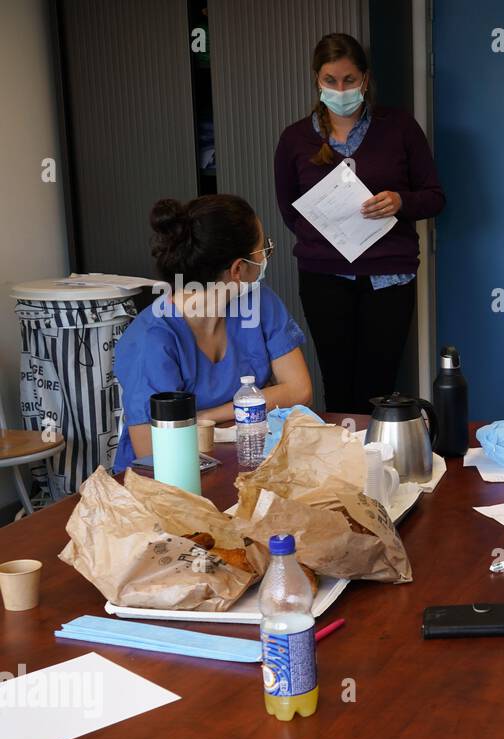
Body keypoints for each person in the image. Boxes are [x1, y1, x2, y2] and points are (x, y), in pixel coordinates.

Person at [274, 32, 445, 413]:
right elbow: (289, 210)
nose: (340, 89)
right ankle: (343, 468)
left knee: (378, 385)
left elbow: (435, 197)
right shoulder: (295, 139)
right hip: (324, 277)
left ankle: (375, 466)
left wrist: (401, 201)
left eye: (349, 80)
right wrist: (325, 239)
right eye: (330, 81)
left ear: (365, 80)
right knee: (336, 384)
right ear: (317, 80)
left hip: (389, 277)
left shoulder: (399, 127)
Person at [113, 195, 312, 471]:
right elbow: (154, 456)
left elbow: (299, 389)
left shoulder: (259, 302)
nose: (265, 257)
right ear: (237, 269)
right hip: (168, 480)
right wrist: (249, 405)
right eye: (262, 250)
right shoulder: (152, 340)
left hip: (243, 459)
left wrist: (205, 417)